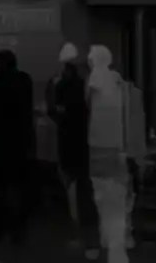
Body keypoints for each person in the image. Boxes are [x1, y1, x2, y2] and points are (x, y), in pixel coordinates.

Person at [86, 45, 148, 263]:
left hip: (98, 156)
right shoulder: (127, 89)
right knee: (121, 200)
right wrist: (138, 155)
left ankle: (112, 243)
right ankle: (121, 240)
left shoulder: (91, 88)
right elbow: (134, 125)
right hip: (120, 153)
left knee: (104, 201)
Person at [0, 48, 36, 246]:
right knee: (19, 190)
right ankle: (18, 232)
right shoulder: (24, 81)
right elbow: (27, 116)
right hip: (19, 144)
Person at [47, 42, 98, 257]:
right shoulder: (85, 85)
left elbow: (54, 111)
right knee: (85, 187)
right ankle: (91, 230)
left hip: (67, 143)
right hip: (84, 143)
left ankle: (78, 233)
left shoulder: (60, 86)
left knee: (71, 188)